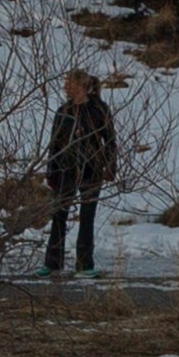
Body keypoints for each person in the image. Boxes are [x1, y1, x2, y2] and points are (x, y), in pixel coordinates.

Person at [41, 69, 115, 277]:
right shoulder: (63, 111)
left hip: (92, 170)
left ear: (81, 86)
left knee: (87, 217)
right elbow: (54, 145)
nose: (65, 87)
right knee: (59, 215)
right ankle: (53, 264)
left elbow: (110, 141)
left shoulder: (99, 109)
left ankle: (84, 265)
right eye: (65, 84)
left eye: (69, 84)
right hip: (66, 170)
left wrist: (109, 167)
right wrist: (51, 170)